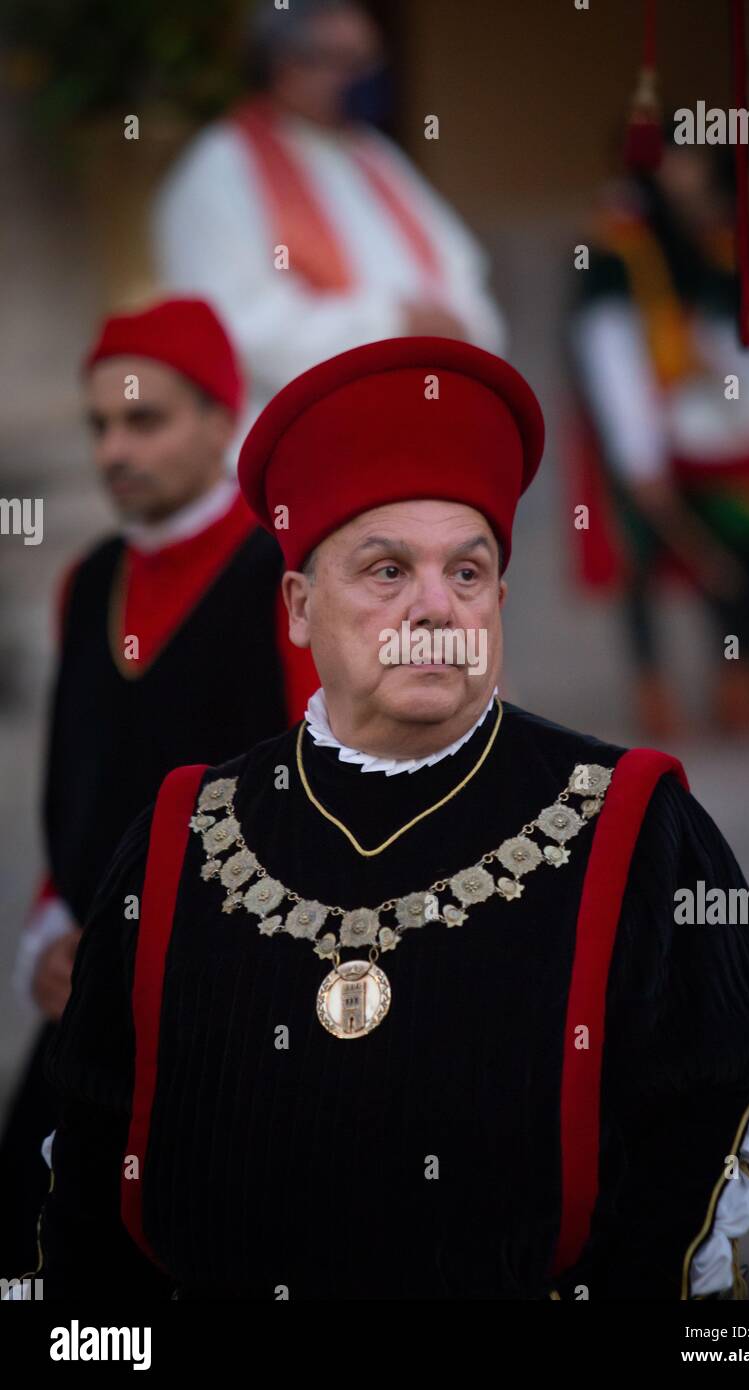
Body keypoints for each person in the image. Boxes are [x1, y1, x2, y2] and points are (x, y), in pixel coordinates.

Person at [26, 337, 749, 1301]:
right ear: (299, 608)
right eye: (386, 571)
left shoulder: (640, 830)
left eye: (466, 575)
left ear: (499, 600)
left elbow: (700, 1134)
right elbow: (96, 1163)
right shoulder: (180, 837)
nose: (435, 609)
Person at [0, 297, 318, 1278]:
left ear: (222, 419)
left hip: (242, 1012)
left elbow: (320, 804)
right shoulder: (86, 581)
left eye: (145, 419)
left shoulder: (286, 572)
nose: (115, 449)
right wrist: (48, 937)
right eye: (100, 425)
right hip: (93, 1006)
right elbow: (78, 793)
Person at [564, 134, 749, 738]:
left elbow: (733, 344)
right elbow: (611, 355)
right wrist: (638, 453)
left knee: (731, 558)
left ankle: (744, 686)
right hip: (638, 430)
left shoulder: (702, 245)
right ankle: (656, 697)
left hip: (703, 433)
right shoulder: (617, 250)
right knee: (640, 559)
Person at [152, 0, 506, 438]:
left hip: (426, 418)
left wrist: (459, 326)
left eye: (372, 60)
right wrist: (390, 327)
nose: (367, 77)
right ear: (287, 68)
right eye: (348, 62)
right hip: (307, 438)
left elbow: (461, 271)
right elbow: (233, 325)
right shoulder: (220, 169)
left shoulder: (374, 155)